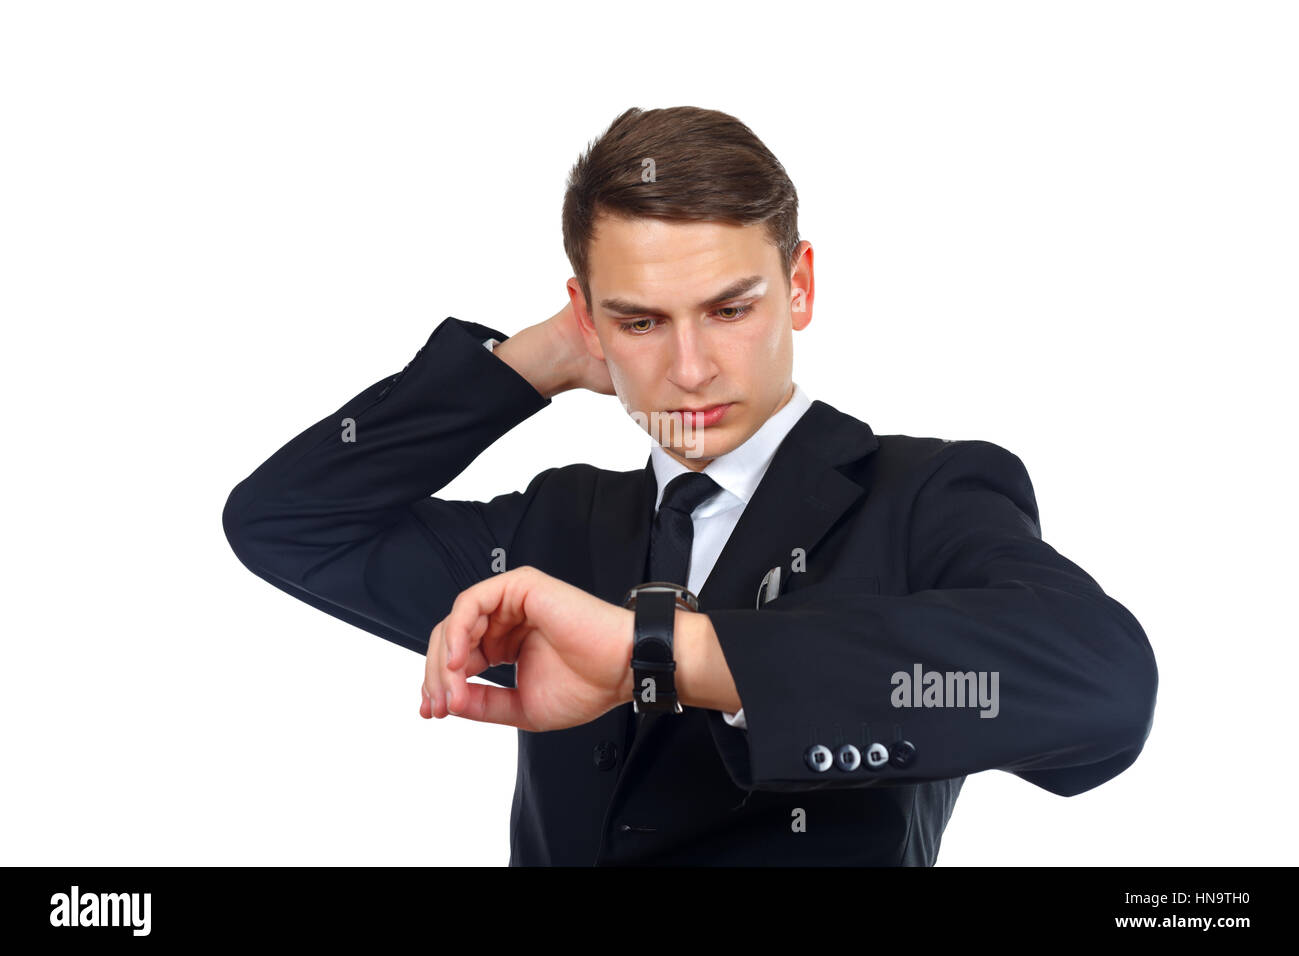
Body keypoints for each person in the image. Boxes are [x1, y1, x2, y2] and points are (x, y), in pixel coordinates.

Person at [222, 105, 1158, 866]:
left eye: (730, 310)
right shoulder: (553, 526)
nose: (692, 369)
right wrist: (540, 358)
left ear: (800, 287)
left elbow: (1100, 686)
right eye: (640, 322)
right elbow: (286, 521)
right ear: (589, 318)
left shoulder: (920, 496)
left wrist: (663, 651)